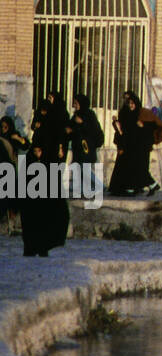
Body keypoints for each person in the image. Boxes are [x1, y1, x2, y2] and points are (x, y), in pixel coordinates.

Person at [23, 96, 70, 256]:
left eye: (45, 111)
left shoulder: (52, 129)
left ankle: (45, 245)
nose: (42, 114)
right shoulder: (38, 133)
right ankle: (32, 246)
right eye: (40, 111)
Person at [68, 94, 105, 188]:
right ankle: (81, 187)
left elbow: (94, 130)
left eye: (76, 103)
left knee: (84, 168)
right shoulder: (76, 115)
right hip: (78, 146)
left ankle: (99, 185)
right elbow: (73, 128)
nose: (75, 105)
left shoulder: (89, 114)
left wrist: (83, 123)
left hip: (87, 146)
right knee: (79, 167)